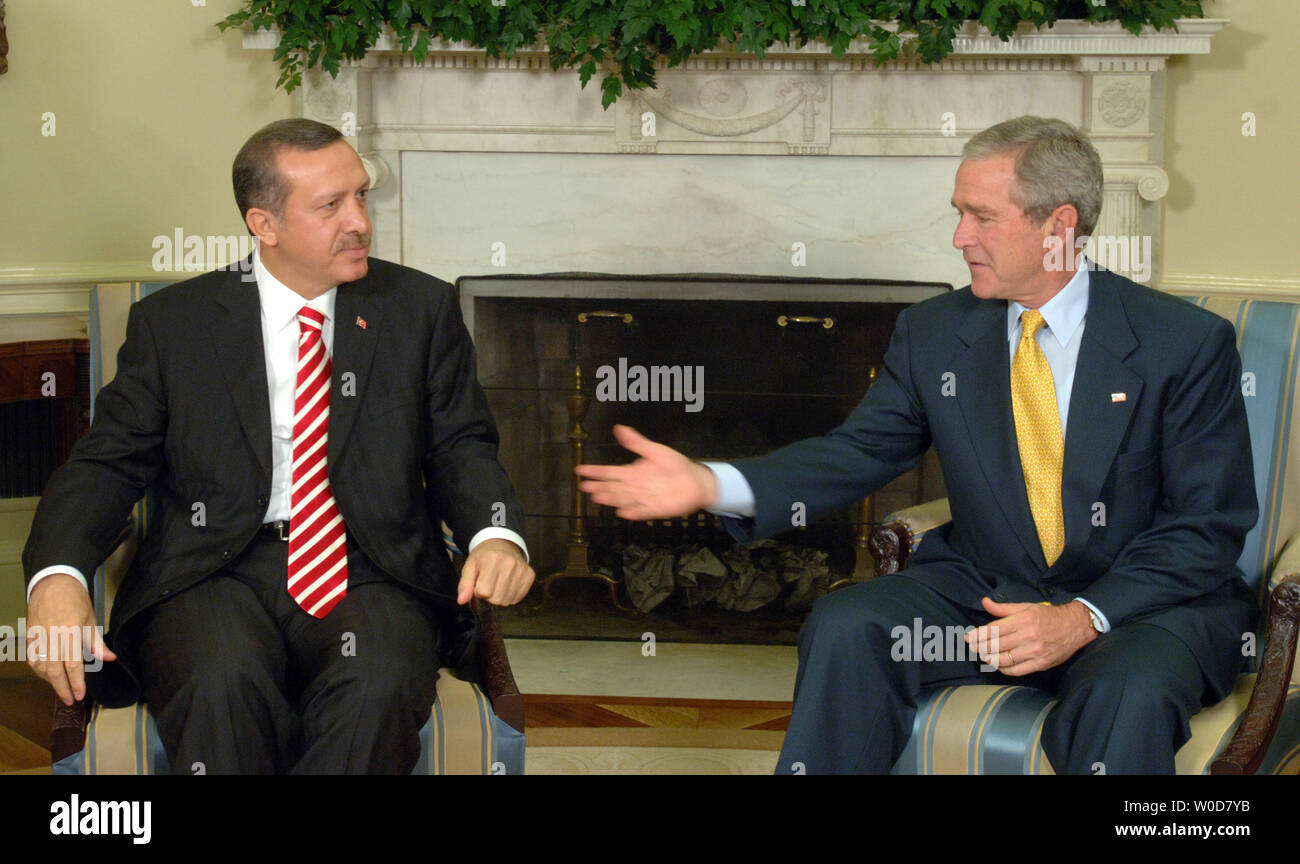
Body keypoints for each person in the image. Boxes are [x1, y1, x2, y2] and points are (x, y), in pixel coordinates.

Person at [576, 116, 1257, 774]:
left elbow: (1207, 526)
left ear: (1060, 226)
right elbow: (858, 452)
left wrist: (1082, 617)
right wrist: (714, 484)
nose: (960, 237)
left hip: (1140, 607)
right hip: (985, 592)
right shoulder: (935, 333)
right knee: (849, 623)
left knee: (1127, 692)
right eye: (958, 213)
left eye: (983, 217)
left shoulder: (1182, 343)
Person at [22, 118, 534, 774]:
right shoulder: (175, 325)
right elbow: (105, 463)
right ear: (264, 224)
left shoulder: (419, 310)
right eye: (330, 206)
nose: (360, 222)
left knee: (373, 687)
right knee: (220, 684)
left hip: (371, 569)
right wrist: (58, 574)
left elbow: (462, 447)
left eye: (361, 196)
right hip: (212, 573)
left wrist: (497, 536)